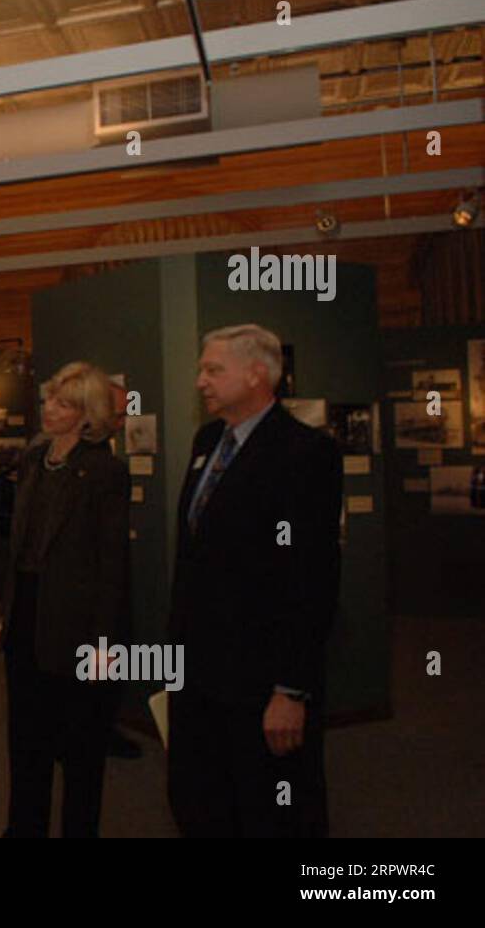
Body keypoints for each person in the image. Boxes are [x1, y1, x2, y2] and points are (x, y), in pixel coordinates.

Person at [168, 324, 342, 838]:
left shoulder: (305, 453)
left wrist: (291, 689)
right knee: (201, 801)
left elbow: (312, 580)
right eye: (201, 369)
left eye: (213, 370)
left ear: (258, 374)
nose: (201, 381)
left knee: (270, 809)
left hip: (260, 679)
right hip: (199, 674)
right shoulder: (207, 442)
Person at [0, 361, 130, 837]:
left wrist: (103, 643)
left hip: (78, 625)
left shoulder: (105, 471)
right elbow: (19, 549)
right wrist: (8, 613)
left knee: (80, 751)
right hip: (27, 615)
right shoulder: (33, 459)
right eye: (50, 398)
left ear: (88, 413)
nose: (49, 408)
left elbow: (113, 566)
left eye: (64, 403)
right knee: (25, 742)